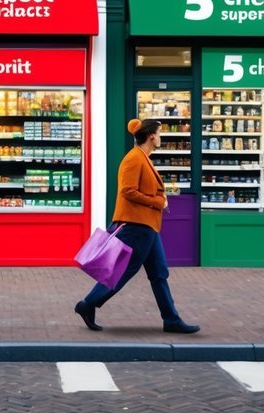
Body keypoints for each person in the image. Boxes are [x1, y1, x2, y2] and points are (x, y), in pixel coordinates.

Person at [73, 118, 199, 334]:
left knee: (159, 273)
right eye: (159, 133)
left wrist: (159, 199)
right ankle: (88, 304)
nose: (161, 137)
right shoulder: (134, 159)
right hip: (137, 225)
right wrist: (158, 201)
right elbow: (127, 191)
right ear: (151, 136)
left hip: (148, 225)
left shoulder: (143, 158)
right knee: (124, 271)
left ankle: (171, 320)